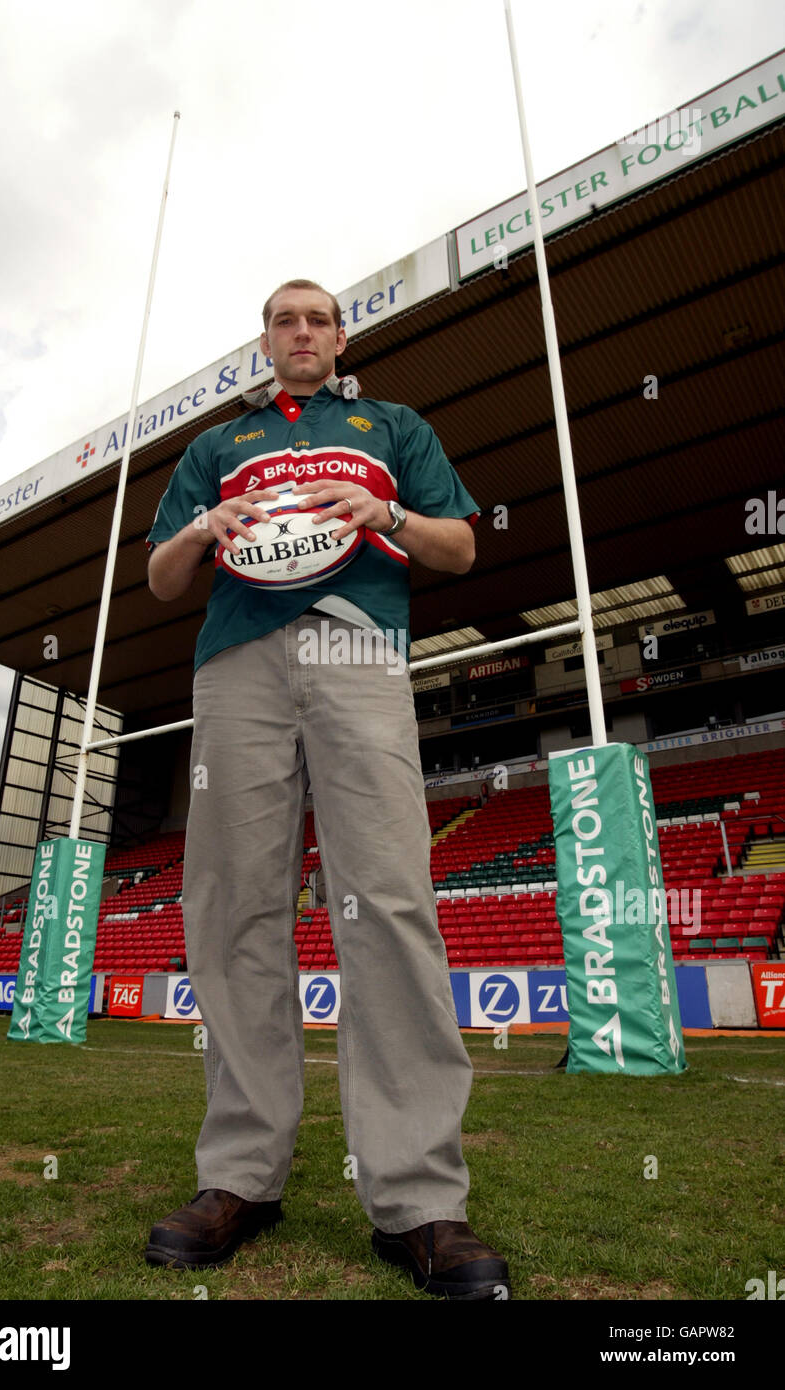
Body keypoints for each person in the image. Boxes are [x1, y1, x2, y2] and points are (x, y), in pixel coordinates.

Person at [143, 279, 511, 1300]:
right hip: (235, 667)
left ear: (340, 337)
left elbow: (458, 543)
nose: (299, 331)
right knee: (231, 908)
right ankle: (240, 1179)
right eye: (280, 319)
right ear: (262, 341)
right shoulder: (220, 445)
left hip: (359, 651)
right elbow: (162, 579)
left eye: (316, 318)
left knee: (388, 899)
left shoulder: (389, 424)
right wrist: (206, 525)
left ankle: (417, 1196)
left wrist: (382, 507)